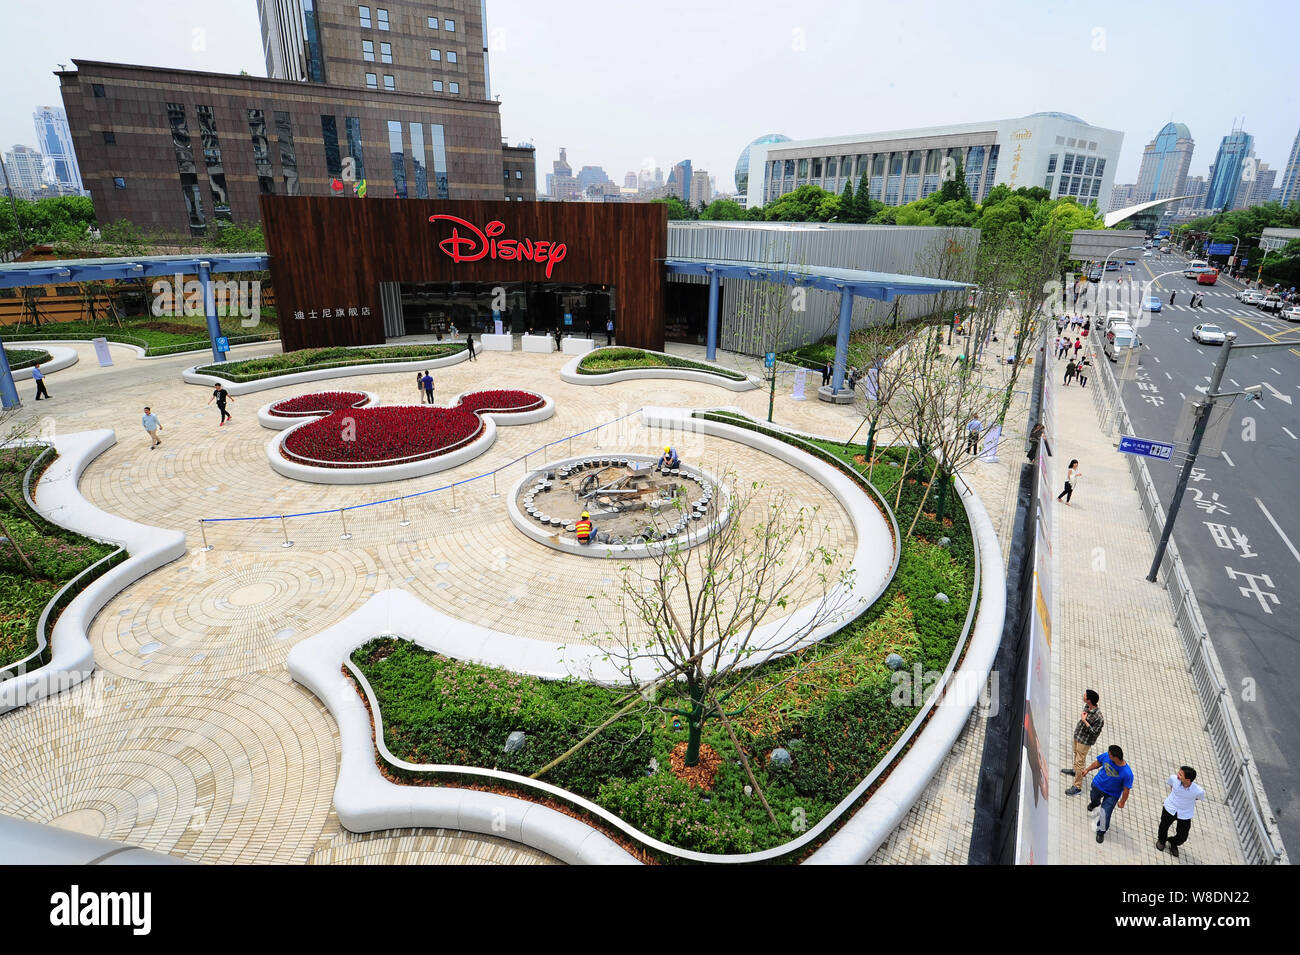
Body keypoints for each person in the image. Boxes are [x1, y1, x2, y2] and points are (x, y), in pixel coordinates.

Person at [1081, 745, 1134, 844]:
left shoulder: (1127, 773)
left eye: (1110, 754)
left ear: (1116, 757)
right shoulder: (1106, 756)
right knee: (1093, 798)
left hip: (1112, 795)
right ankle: (1095, 803)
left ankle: (1101, 831)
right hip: (1098, 785)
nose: (1108, 755)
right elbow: (1098, 763)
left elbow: (1126, 790)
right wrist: (1087, 770)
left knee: (1105, 814)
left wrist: (1122, 802)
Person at [1157, 766, 1206, 858]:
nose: (1177, 775)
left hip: (1185, 813)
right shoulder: (1173, 779)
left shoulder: (1198, 791)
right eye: (1178, 773)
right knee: (1163, 826)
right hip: (1170, 808)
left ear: (1188, 780)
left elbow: (1198, 798)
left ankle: (1173, 841)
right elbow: (1172, 787)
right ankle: (1161, 841)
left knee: (1183, 836)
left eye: (1180, 775)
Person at [1063, 690, 1105, 795]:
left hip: (1084, 741)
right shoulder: (1087, 706)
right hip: (1078, 736)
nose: (1083, 696)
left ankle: (1077, 787)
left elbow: (1095, 733)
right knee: (1076, 754)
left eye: (1085, 695)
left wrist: (1085, 721)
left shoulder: (1099, 718)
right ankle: (1075, 771)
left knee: (1080, 762)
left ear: (1089, 700)